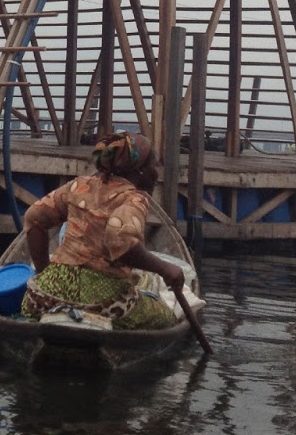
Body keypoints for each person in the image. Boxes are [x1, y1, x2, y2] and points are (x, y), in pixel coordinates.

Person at [20, 132, 184, 330]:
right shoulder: (133, 198)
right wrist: (165, 268)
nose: (156, 173)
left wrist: (44, 273)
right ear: (140, 171)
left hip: (46, 296)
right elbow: (120, 239)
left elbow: (34, 218)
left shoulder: (78, 186)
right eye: (153, 166)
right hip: (101, 301)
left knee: (29, 303)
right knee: (165, 317)